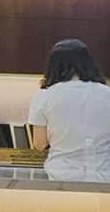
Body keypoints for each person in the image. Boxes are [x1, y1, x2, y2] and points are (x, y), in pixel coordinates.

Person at [29, 38, 110, 182]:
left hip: (61, 176)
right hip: (103, 176)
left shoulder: (44, 96)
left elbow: (39, 144)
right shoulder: (107, 94)